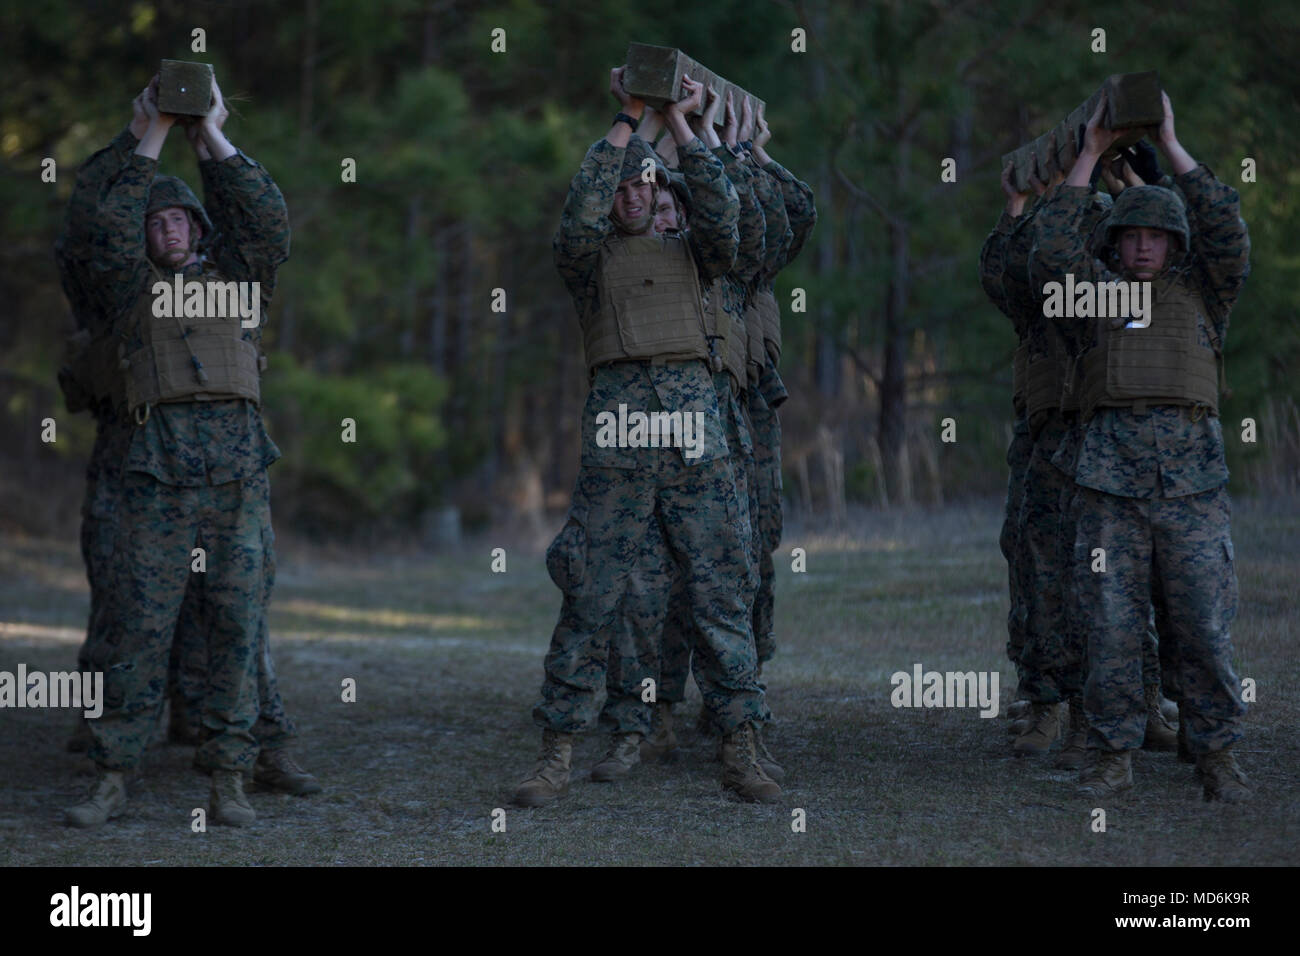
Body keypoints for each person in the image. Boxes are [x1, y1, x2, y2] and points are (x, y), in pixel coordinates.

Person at [512, 67, 779, 806]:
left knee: (722, 592)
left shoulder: (703, 257)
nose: (634, 196)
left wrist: (686, 125)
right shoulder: (588, 262)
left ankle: (741, 748)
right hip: (621, 443)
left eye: (647, 187)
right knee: (590, 596)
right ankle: (556, 751)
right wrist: (631, 116)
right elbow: (580, 209)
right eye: (624, 187)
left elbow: (727, 214)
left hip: (698, 442)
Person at [55, 86, 318, 799]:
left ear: (199, 229)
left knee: (238, 625)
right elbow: (104, 228)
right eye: (156, 222)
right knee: (139, 628)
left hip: (236, 477)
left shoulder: (239, 279)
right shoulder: (129, 289)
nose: (167, 230)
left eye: (180, 219)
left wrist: (212, 135)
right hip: (158, 474)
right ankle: (113, 773)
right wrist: (152, 131)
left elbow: (267, 223)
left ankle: (231, 772)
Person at [1031, 91, 1251, 801]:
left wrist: (1171, 141)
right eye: (1131, 236)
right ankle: (1113, 753)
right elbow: (1052, 251)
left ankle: (1216, 753)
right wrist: (1090, 154)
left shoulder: (1205, 294)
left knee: (1204, 627)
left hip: (1191, 485)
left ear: (1176, 245)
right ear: (1115, 244)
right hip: (1108, 485)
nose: (1144, 245)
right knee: (1110, 627)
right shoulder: (1091, 297)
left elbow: (1226, 225)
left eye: (1158, 236)